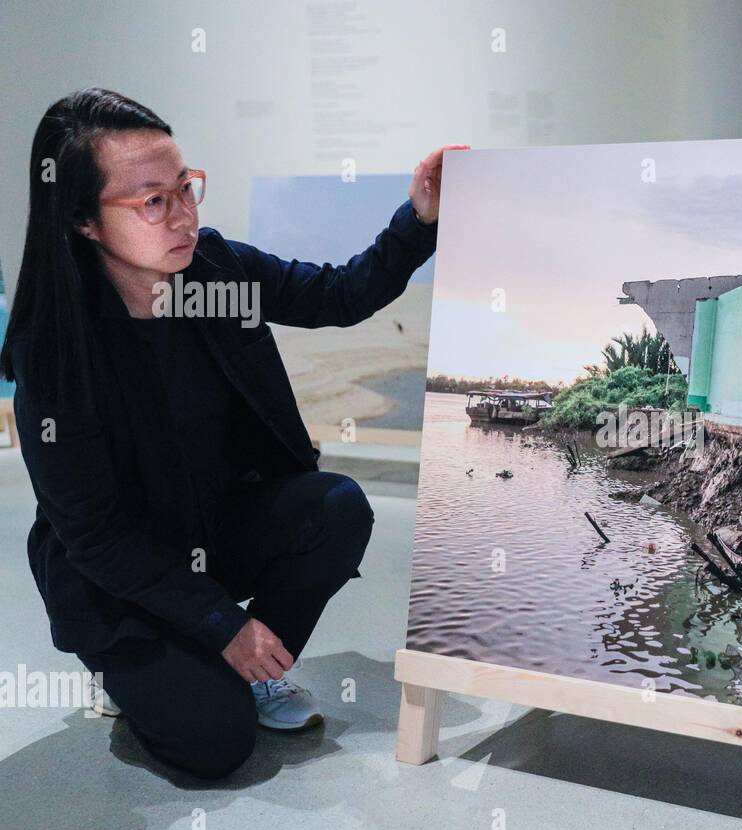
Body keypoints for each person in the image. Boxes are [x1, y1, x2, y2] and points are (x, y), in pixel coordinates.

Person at [0, 87, 468, 779]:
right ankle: (144, 670)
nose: (184, 215)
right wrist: (222, 626)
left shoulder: (214, 270)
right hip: (121, 577)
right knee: (214, 746)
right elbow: (96, 537)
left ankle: (257, 666)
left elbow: (336, 295)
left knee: (335, 506)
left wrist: (420, 218)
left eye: (186, 187)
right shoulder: (57, 350)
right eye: (153, 201)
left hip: (214, 532)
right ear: (84, 221)